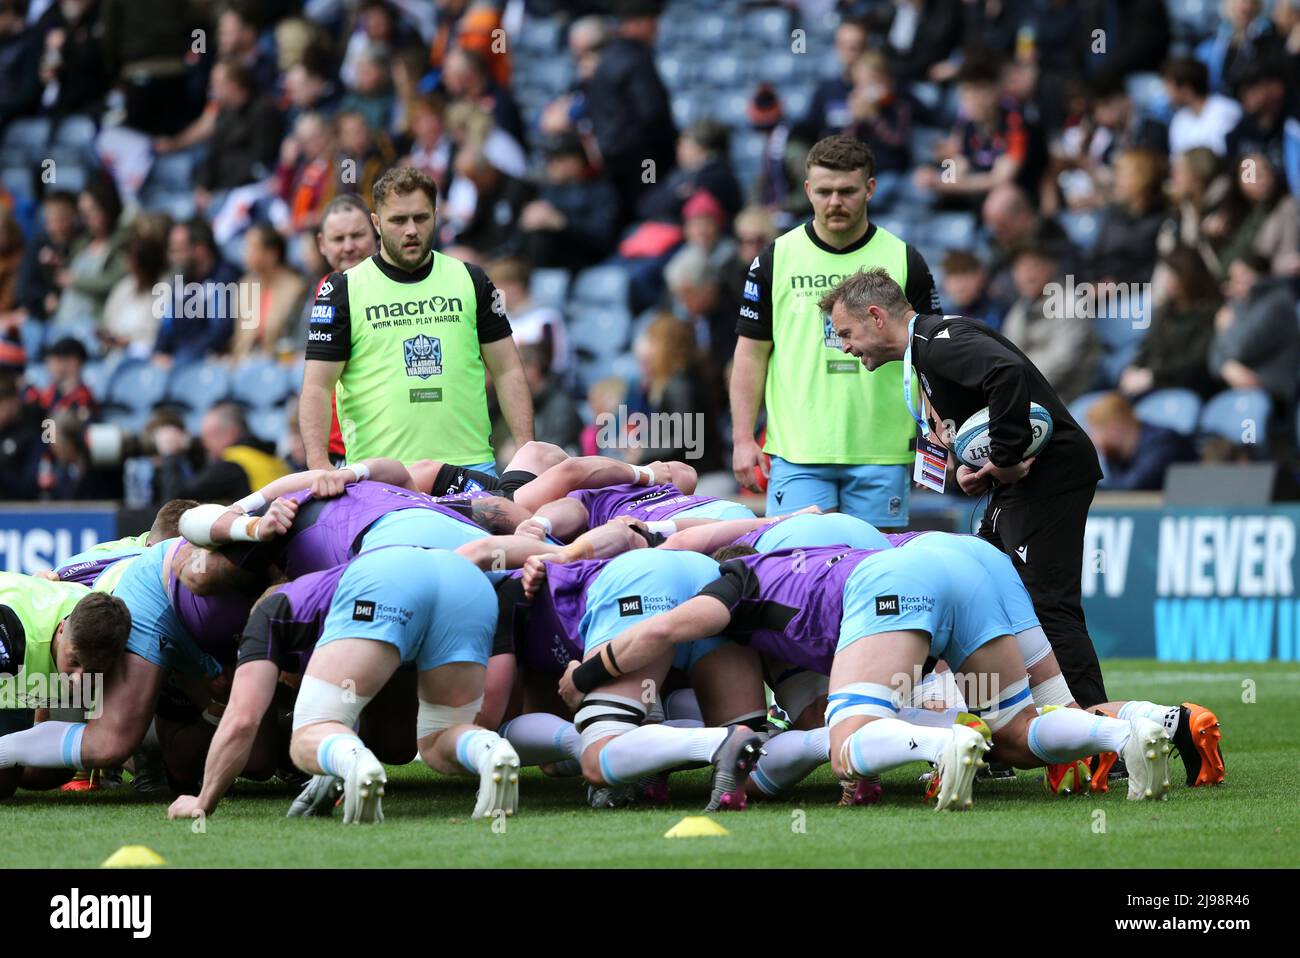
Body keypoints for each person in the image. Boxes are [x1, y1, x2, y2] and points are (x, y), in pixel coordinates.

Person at [818, 266, 1110, 710]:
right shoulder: (928, 349)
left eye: (846, 332)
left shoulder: (938, 344)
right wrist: (982, 468)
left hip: (1051, 480)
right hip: (1024, 484)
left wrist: (1008, 460)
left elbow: (1006, 374)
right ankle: (1004, 727)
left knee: (1048, 606)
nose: (845, 346)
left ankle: (1098, 734)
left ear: (876, 316)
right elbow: (987, 408)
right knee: (982, 591)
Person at [731, 135, 940, 526]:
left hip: (883, 452)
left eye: (847, 191)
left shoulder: (904, 259)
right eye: (824, 191)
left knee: (875, 578)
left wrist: (933, 439)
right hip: (799, 452)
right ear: (808, 190)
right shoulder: (775, 258)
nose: (834, 202)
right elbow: (751, 352)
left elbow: (928, 353)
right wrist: (743, 438)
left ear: (870, 189)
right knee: (799, 575)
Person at [301, 166, 534, 472]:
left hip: (471, 468)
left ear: (436, 215)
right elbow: (317, 386)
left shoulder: (471, 278)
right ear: (377, 223)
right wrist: (320, 465)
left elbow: (507, 370)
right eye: (398, 220)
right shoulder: (342, 288)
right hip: (383, 477)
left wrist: (526, 452)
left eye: (421, 218)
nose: (411, 229)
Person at [0, 577, 133, 799]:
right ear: (61, 630)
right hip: (13, 667)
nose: (78, 680)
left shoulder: (103, 618)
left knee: (53, 768)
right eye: (74, 661)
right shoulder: (10, 640)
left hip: (19, 685)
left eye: (93, 670)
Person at [157, 402, 289, 504]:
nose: (205, 445)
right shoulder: (270, 456)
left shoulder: (232, 464)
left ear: (229, 433)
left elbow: (175, 503)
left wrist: (171, 455)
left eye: (208, 436)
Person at [1086, 393, 1198, 491]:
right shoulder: (1115, 453)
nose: (1094, 441)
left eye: (1097, 432)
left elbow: (1132, 490)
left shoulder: (1163, 443)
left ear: (1115, 430)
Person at [229, 224, 308, 361]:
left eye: (252, 248)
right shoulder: (245, 285)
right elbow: (239, 338)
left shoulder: (295, 288)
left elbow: (293, 336)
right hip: (245, 362)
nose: (245, 254)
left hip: (280, 361)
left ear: (271, 254)